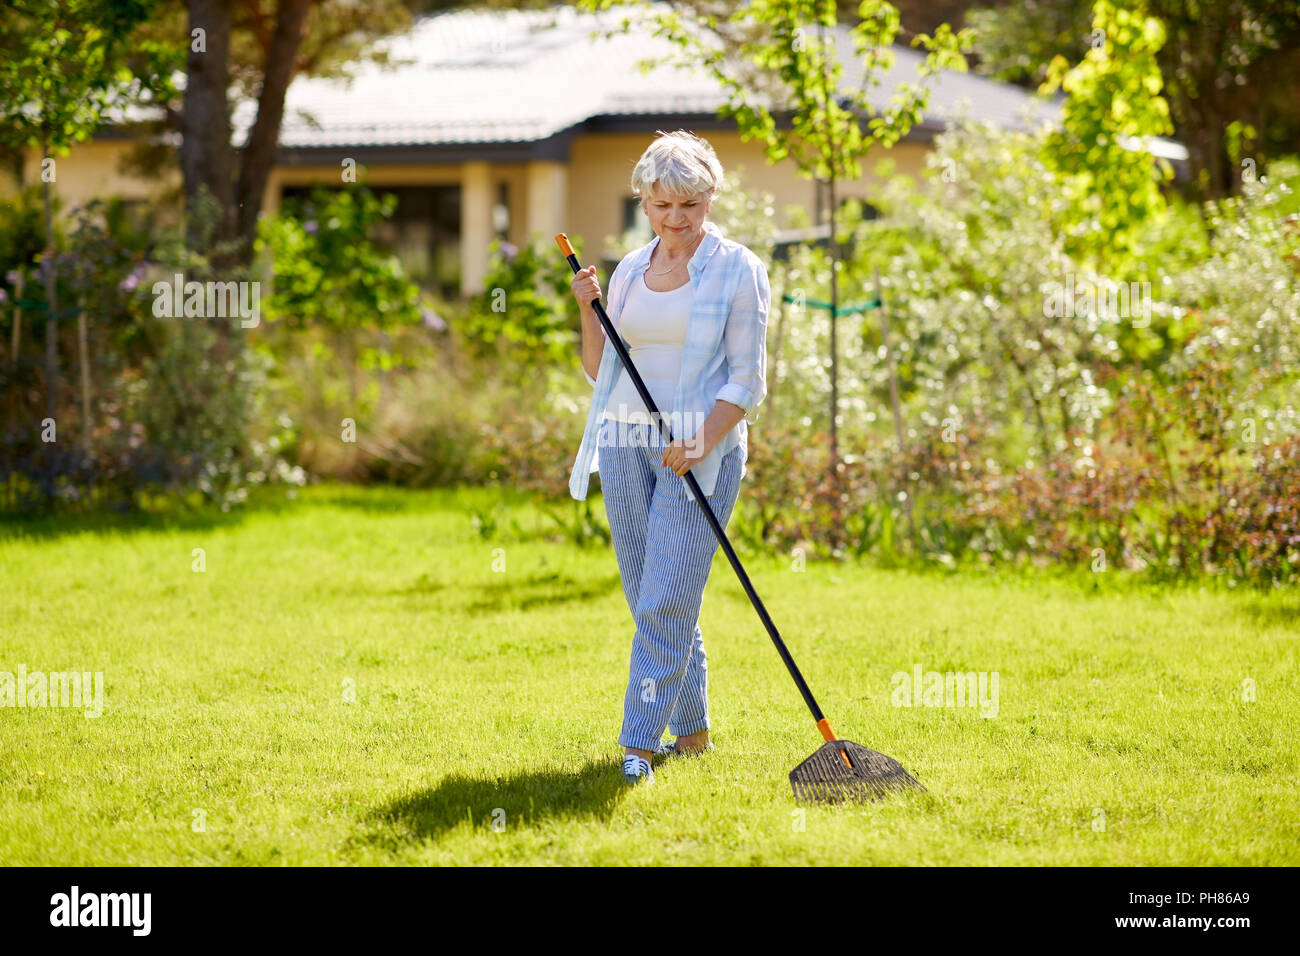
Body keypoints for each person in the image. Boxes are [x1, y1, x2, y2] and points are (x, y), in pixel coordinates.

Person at [567, 129, 770, 786]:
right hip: (623, 446)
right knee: (654, 600)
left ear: (710, 199)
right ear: (645, 204)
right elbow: (602, 371)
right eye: (663, 207)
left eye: (691, 205)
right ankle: (695, 734)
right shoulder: (629, 269)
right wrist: (586, 312)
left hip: (699, 453)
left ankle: (636, 747)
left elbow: (747, 379)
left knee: (663, 604)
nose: (677, 220)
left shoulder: (738, 268)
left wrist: (702, 439)